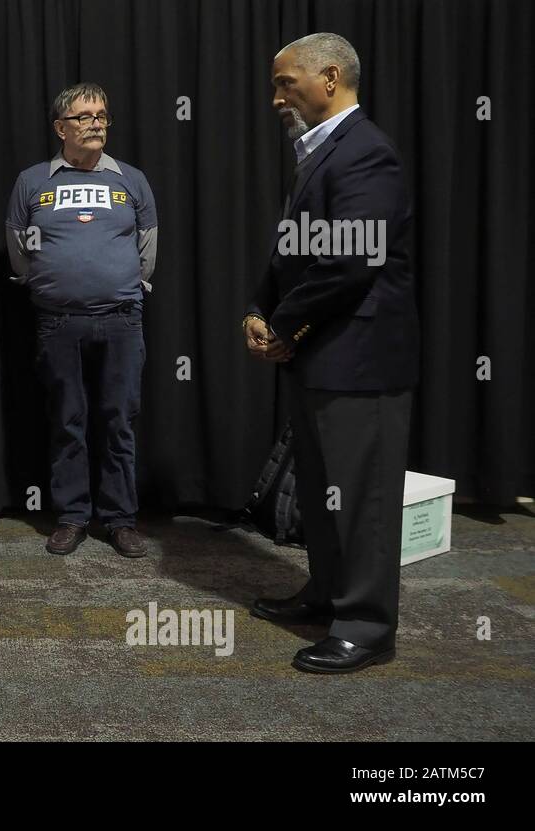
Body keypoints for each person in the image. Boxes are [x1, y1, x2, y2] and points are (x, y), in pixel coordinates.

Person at [244, 34, 418, 674]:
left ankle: (368, 627)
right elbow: (295, 245)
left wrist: (286, 323)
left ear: (330, 78)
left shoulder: (366, 153)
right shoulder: (318, 152)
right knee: (323, 492)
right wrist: (259, 307)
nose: (276, 97)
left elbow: (350, 261)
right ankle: (327, 593)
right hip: (322, 352)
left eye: (286, 82)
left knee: (362, 496)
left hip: (361, 357)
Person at [5, 82, 158, 558]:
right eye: (84, 116)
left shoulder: (132, 181)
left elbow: (147, 253)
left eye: (102, 116)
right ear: (60, 128)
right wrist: (56, 286)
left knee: (119, 421)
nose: (95, 124)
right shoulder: (33, 182)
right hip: (58, 322)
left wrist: (118, 285)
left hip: (121, 321)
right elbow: (18, 253)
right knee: (68, 421)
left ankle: (119, 519)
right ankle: (72, 516)